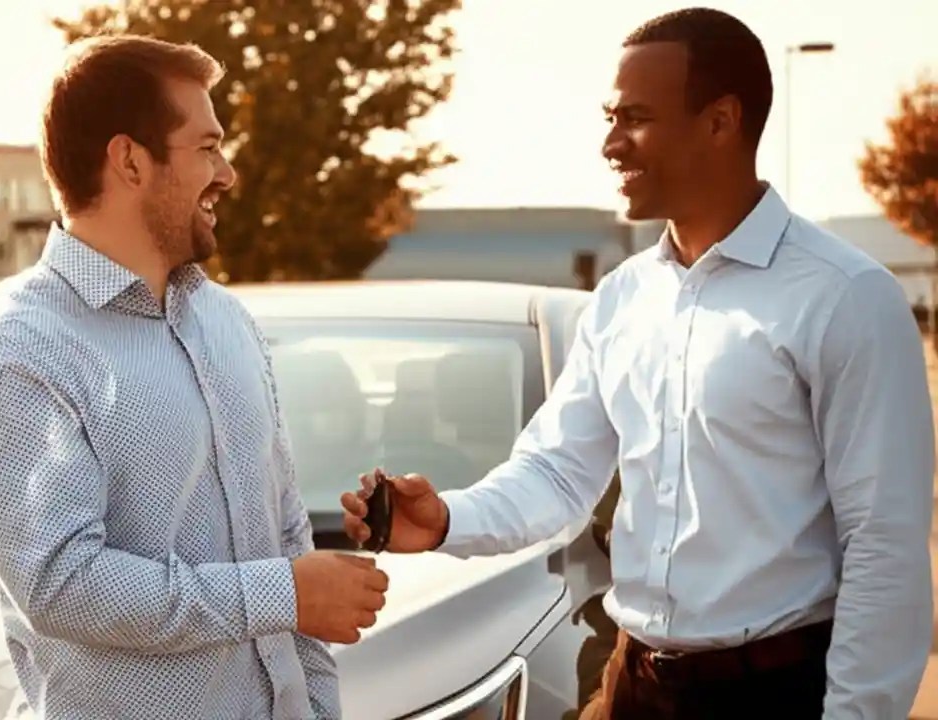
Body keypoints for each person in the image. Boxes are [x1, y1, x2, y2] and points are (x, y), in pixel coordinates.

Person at [342, 8, 934, 719]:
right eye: (610, 117)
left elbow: (884, 544)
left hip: (776, 694)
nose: (610, 143)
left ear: (720, 122)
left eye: (636, 118)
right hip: (634, 686)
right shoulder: (622, 298)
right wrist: (443, 521)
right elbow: (558, 473)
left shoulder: (846, 297)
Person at [0, 34, 387, 720]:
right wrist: (282, 593)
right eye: (206, 147)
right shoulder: (16, 350)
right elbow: (60, 584)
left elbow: (288, 536)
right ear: (129, 161)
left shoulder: (229, 323)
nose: (228, 173)